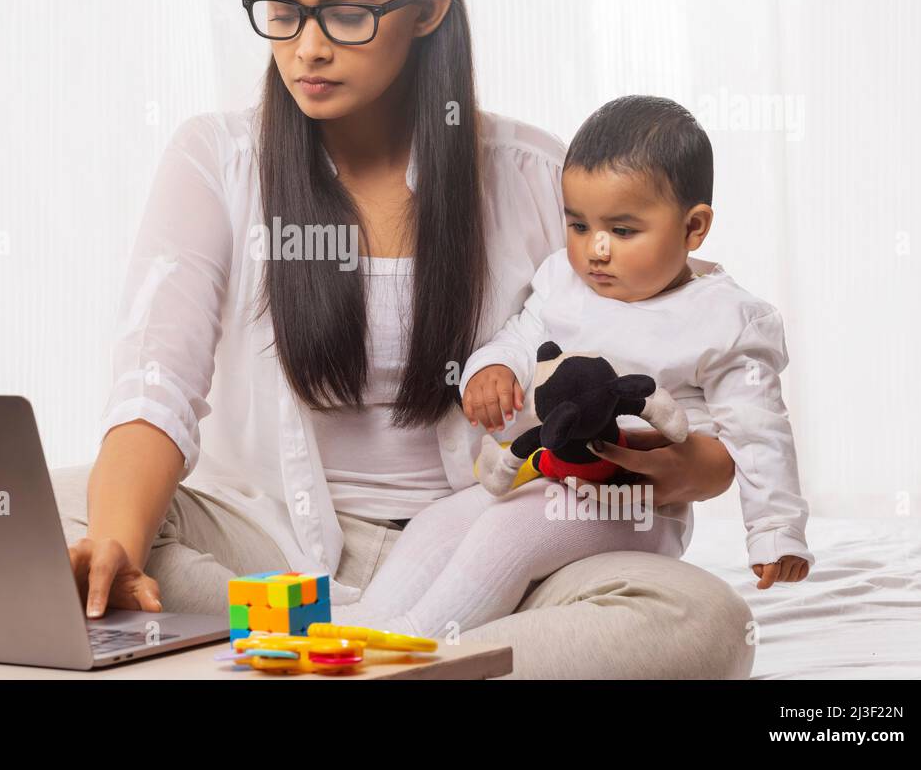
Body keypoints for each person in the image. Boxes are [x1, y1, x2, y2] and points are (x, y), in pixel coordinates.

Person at [60, 0, 755, 678]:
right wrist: (116, 543)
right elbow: (156, 387)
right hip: (275, 547)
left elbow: (666, 350)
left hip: (493, 552)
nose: (307, 49)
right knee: (59, 514)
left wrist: (681, 468)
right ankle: (399, 655)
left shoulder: (535, 176)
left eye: (346, 15)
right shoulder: (217, 158)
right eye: (283, 11)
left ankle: (359, 654)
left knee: (705, 620)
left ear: (427, 10)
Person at [328, 95, 813, 639]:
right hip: (546, 474)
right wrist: (492, 367)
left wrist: (775, 531)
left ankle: (420, 641)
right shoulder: (564, 280)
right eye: (578, 225)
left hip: (637, 506)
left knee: (510, 532)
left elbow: (760, 433)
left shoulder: (727, 318)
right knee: (441, 522)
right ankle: (363, 624)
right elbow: (522, 335)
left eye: (622, 231)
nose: (595, 250)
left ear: (693, 227)